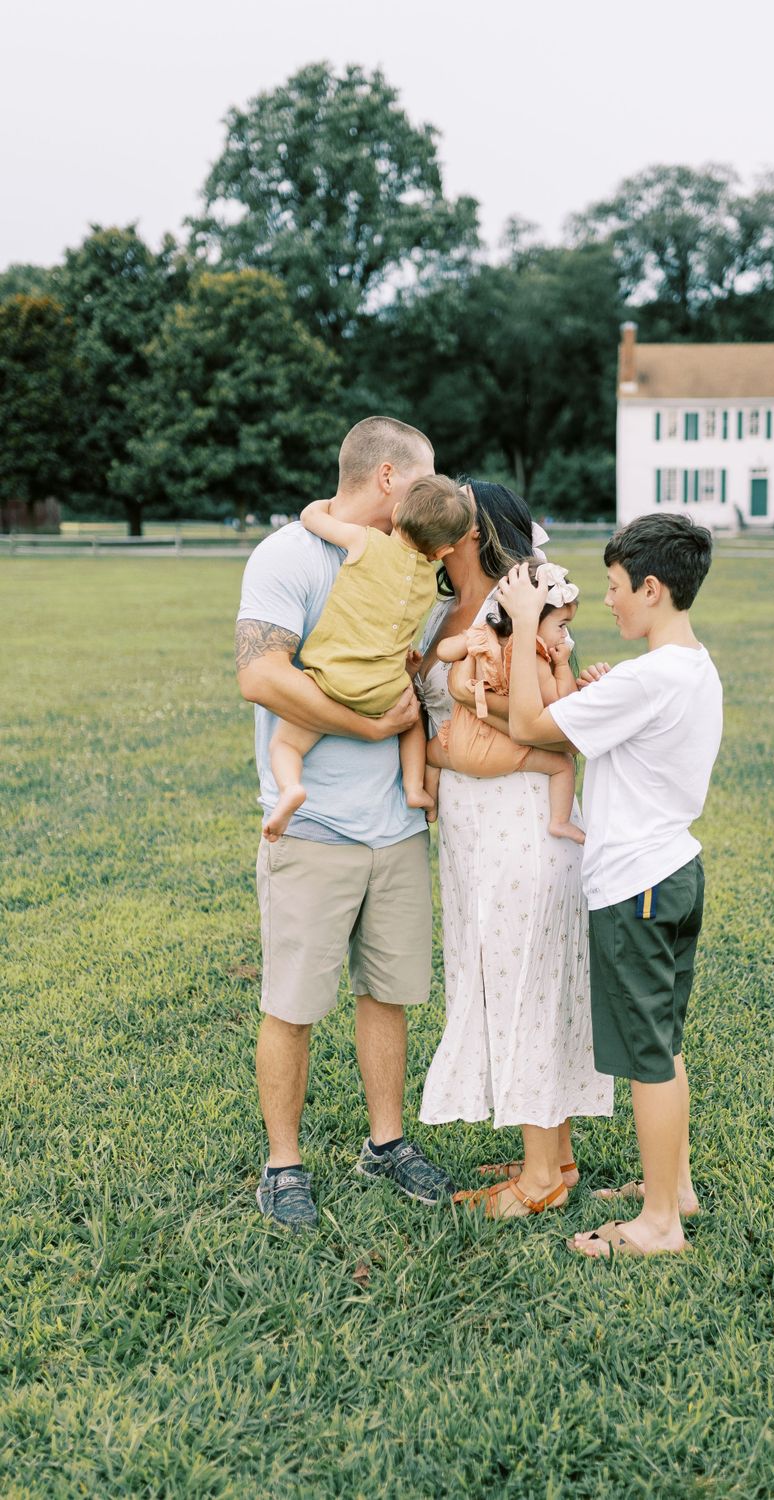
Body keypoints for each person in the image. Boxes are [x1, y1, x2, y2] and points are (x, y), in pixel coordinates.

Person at [235, 415, 456, 1230]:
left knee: (387, 994)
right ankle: (283, 1164)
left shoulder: (415, 563)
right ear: (390, 477)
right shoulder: (288, 556)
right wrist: (363, 724)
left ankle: (386, 1143)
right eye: (425, 476)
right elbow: (259, 674)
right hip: (316, 826)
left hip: (396, 827)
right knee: (292, 1002)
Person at [499, 512, 723, 1257]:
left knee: (649, 1057)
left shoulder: (647, 678)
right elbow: (634, 734)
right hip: (675, 873)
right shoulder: (691, 667)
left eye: (617, 587)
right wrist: (606, 691)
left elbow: (531, 721)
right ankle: (675, 1186)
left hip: (637, 887)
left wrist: (528, 618)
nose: (608, 601)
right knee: (663, 1040)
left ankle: (659, 1224)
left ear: (653, 588)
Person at [415, 480, 613, 1219]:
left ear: (475, 529)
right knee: (507, 977)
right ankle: (552, 1153)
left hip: (523, 819)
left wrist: (475, 705)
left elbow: (558, 724)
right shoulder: (447, 611)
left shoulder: (521, 602)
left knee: (527, 978)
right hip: (472, 830)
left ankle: (538, 1184)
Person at [262, 475, 474, 842]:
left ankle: (291, 788)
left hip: (332, 677)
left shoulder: (365, 541)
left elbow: (312, 518)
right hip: (384, 687)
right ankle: (412, 787)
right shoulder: (427, 582)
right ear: (441, 553)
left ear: (395, 514)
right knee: (410, 719)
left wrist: (321, 505)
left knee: (285, 744)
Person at [426, 559, 584, 845]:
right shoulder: (533, 658)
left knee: (428, 752)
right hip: (499, 751)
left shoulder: (484, 635)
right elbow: (560, 706)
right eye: (561, 625)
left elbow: (444, 650)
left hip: (459, 746)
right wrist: (561, 667)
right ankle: (560, 822)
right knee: (563, 765)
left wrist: (467, 644)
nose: (565, 634)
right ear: (532, 620)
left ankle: (427, 797)